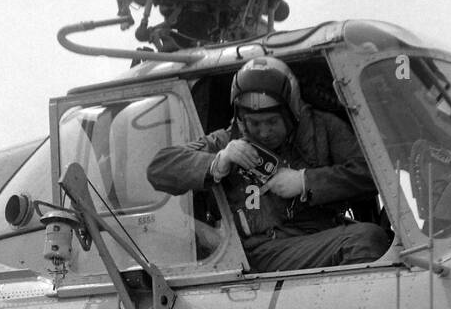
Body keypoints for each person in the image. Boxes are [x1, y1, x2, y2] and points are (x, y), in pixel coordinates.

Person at [147, 55, 391, 273]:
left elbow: (373, 172)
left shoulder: (322, 129)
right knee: (364, 241)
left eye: (272, 122)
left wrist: (305, 181)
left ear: (291, 111)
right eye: (255, 123)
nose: (264, 132)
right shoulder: (227, 141)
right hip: (263, 251)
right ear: (241, 119)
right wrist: (218, 161)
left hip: (321, 236)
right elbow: (159, 168)